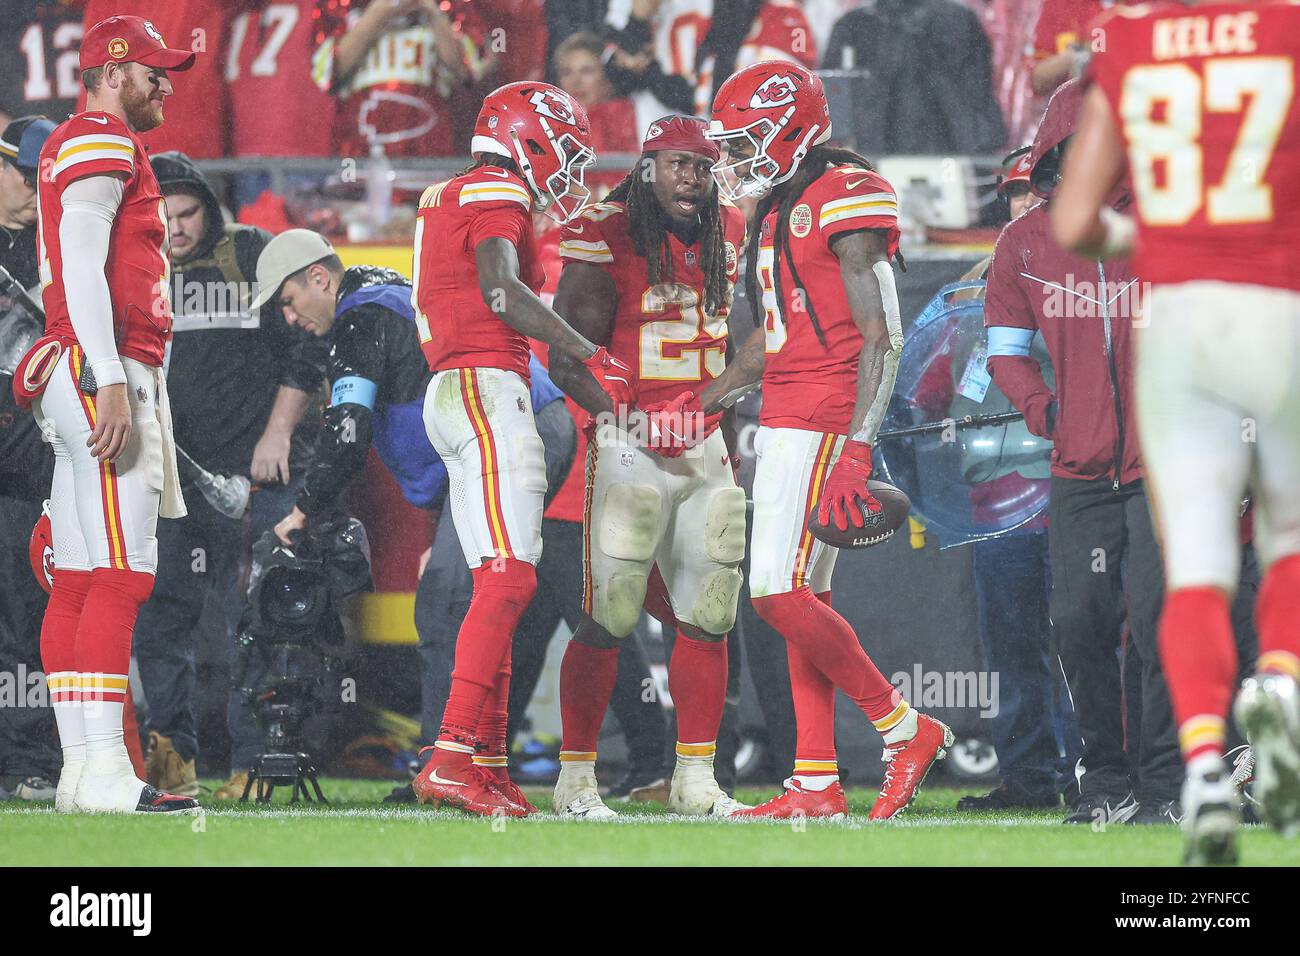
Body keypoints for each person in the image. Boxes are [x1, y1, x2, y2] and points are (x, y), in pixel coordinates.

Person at [1052, 0, 1300, 863]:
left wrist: (1149, 238)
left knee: (1194, 564)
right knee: (1288, 539)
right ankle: (1283, 686)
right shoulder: (1287, 32)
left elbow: (1077, 223)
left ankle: (1200, 764)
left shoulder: (1135, 47)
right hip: (1276, 305)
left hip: (1181, 326)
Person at [690, 61, 952, 820]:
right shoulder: (777, 207)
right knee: (805, 592)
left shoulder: (844, 190)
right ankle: (814, 782)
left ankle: (904, 728)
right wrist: (704, 402)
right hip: (787, 410)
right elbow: (774, 342)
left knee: (773, 591)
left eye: (745, 142)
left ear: (788, 128)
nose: (735, 160)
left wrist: (859, 449)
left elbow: (883, 336)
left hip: (828, 414)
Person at [407, 79, 636, 818]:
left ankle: (488, 763)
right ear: (526, 140)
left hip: (456, 389)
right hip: (485, 387)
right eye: (563, 151)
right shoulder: (493, 193)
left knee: (495, 585)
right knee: (508, 582)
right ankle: (450, 757)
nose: (567, 170)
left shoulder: (453, 194)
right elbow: (502, 291)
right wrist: (582, 348)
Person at [11, 14, 199, 814]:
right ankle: (108, 777)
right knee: (122, 572)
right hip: (100, 364)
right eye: (154, 73)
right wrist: (113, 377)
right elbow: (83, 265)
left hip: (78, 364)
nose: (165, 87)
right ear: (114, 71)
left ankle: (85, 774)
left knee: (84, 579)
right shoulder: (102, 137)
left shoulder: (86, 141)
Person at [983, 78, 1178, 826]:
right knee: (1080, 620)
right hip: (1081, 471)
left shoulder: (1169, 223)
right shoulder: (1024, 241)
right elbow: (1005, 351)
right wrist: (1043, 408)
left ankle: (1163, 787)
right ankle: (1105, 780)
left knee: (1162, 619)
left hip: (1166, 467)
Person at [547, 115, 748, 818]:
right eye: (677, 164)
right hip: (629, 438)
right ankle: (575, 780)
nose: (692, 178)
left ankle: (695, 781)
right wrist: (629, 416)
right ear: (647, 166)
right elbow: (564, 355)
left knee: (711, 609)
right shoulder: (607, 230)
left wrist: (712, 405)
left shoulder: (732, 227)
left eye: (702, 165)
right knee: (612, 610)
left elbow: (749, 343)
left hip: (704, 438)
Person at [131, 152, 326, 799]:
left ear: (209, 209)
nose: (178, 227)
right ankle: (171, 759)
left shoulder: (252, 255)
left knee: (261, 617)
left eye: (188, 213)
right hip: (173, 478)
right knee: (162, 615)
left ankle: (255, 762)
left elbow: (306, 349)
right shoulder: (135, 263)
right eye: (165, 214)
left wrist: (279, 433)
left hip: (261, 473)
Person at [0, 114, 59, 801]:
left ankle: (22, 759)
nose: (29, 188)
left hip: (24, 458)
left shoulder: (57, 250)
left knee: (24, 615)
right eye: (20, 173)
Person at [311, 0, 473, 158]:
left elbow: (466, 68)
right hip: (359, 149)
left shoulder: (449, 5)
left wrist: (432, 12)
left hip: (428, 147)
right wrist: (378, 12)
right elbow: (330, 70)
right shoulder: (341, 5)